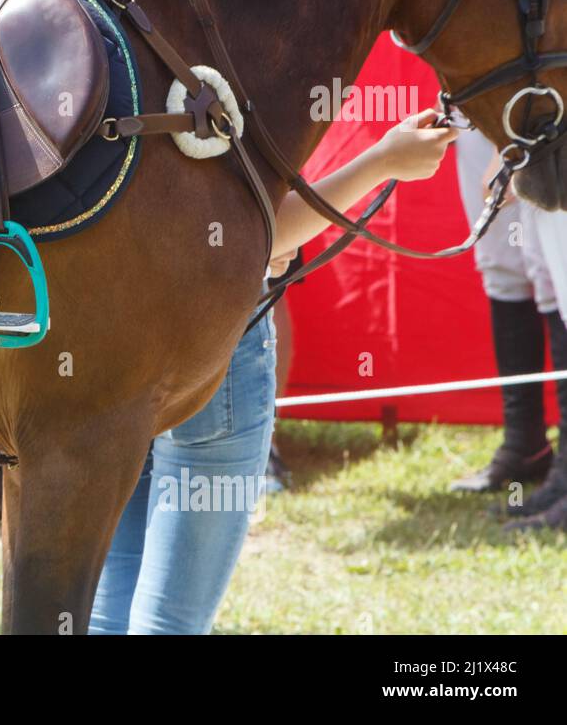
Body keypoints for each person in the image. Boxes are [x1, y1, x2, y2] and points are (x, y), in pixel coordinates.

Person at [91, 110, 459, 635]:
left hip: (105, 332)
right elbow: (259, 232)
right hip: (207, 333)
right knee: (168, 619)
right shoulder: (216, 54)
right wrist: (382, 161)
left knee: (109, 612)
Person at [450, 118, 565, 501]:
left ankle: (564, 470)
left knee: (554, 274)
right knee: (504, 266)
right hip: (470, 92)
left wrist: (507, 146)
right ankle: (525, 443)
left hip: (528, 95)